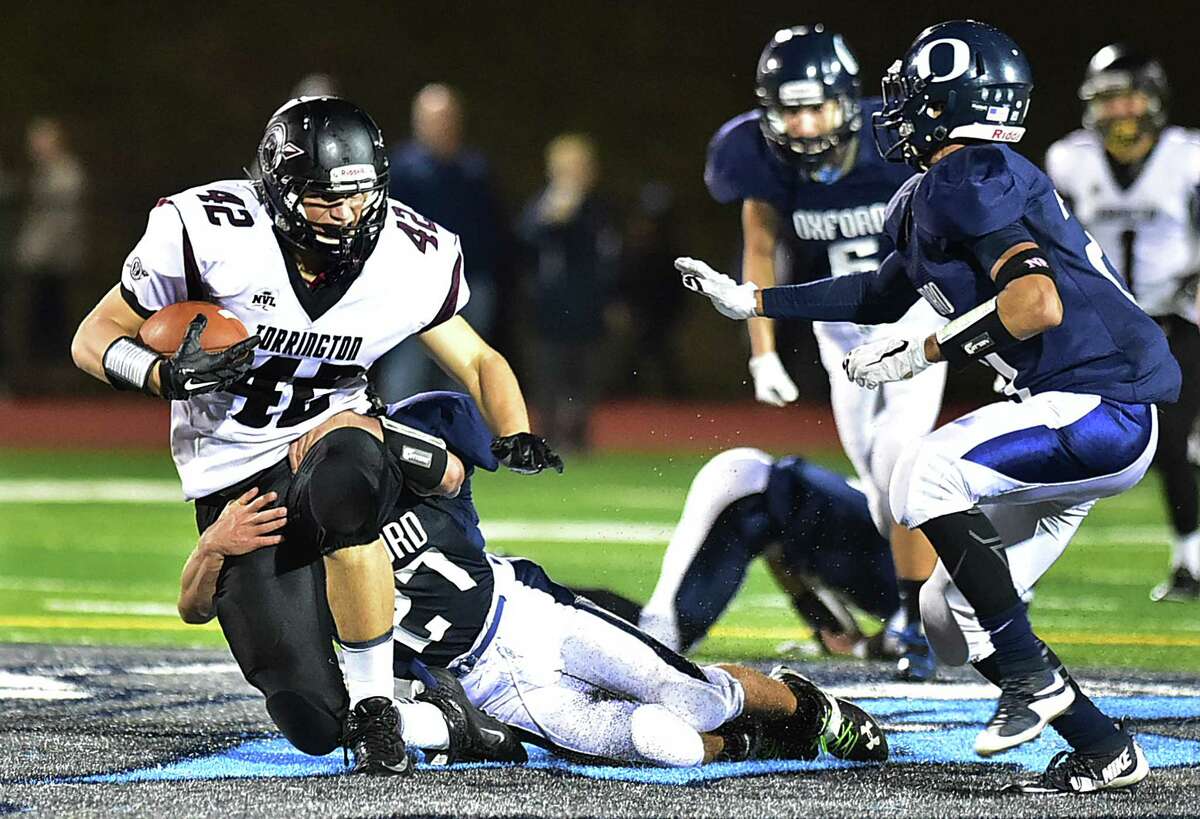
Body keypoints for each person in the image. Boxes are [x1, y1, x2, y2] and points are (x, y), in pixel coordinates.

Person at [679, 20, 1178, 794]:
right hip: (1069, 412)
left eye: (914, 93)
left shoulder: (971, 174)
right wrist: (755, 302)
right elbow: (879, 293)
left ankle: (1029, 672)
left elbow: (1036, 303)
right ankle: (1103, 743)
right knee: (950, 614)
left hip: (1101, 401)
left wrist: (927, 350)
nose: (898, 108)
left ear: (950, 103)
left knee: (924, 470)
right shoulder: (935, 190)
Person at [70, 96, 562, 776]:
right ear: (279, 190)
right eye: (327, 199)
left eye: (360, 195)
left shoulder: (407, 252)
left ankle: (379, 706)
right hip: (238, 486)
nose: (348, 214)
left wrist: (516, 431)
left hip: (335, 441)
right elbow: (92, 337)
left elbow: (478, 358)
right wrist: (159, 374)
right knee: (312, 720)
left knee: (347, 468)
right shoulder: (210, 231)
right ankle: (443, 721)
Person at [180, 391, 890, 768]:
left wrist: (356, 427)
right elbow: (198, 605)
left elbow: (443, 461)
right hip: (489, 687)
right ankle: (750, 743)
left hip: (531, 619)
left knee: (692, 697)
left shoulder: (429, 477)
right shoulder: (312, 524)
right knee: (664, 743)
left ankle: (809, 708)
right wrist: (214, 546)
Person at [703, 25, 945, 680]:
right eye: (792, 111)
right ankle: (939, 586)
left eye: (817, 108)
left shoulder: (899, 139)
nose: (806, 125)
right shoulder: (755, 156)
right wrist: (762, 353)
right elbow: (760, 250)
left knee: (898, 462)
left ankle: (917, 620)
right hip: (839, 334)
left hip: (914, 320)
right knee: (877, 491)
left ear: (846, 101)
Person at [1046, 46, 1200, 603]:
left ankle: (1191, 561)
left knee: (1172, 439)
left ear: (1153, 101)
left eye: (1129, 97)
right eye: (1108, 99)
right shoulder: (1071, 160)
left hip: (1177, 317)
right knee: (1065, 434)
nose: (1120, 112)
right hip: (1102, 326)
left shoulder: (1188, 158)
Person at [596, 447, 899, 659]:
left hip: (756, 498)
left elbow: (785, 553)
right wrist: (861, 647)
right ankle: (566, 607)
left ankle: (571, 611)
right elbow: (909, 637)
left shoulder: (900, 564)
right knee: (663, 635)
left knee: (670, 637)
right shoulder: (910, 582)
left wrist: (827, 623)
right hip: (749, 491)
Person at [374, 84, 508, 402]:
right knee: (407, 373)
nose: (441, 126)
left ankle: (460, 433)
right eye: (433, 119)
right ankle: (396, 430)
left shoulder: (475, 170)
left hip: (469, 284)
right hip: (414, 288)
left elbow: (493, 228)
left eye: (447, 118)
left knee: (468, 375)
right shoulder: (400, 170)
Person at [517, 134, 621, 452]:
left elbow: (610, 258)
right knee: (549, 377)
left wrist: (613, 300)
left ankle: (578, 439)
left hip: (589, 310)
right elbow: (523, 245)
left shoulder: (599, 210)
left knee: (585, 379)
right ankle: (547, 438)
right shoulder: (540, 207)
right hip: (550, 311)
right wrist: (550, 218)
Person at [14, 117, 86, 367]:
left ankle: (57, 369)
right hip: (42, 261)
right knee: (40, 319)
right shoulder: (44, 173)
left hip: (55, 261)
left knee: (53, 318)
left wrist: (36, 254)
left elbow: (61, 224)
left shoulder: (66, 174)